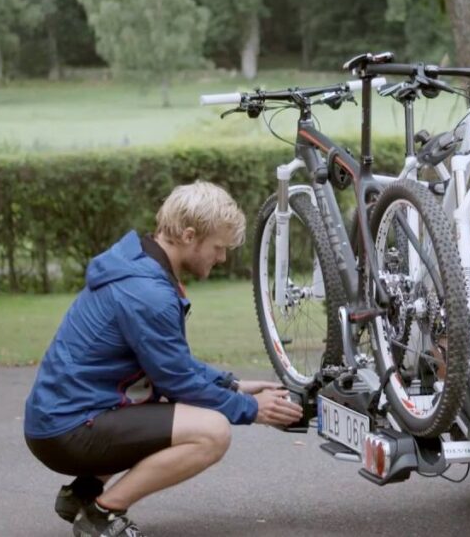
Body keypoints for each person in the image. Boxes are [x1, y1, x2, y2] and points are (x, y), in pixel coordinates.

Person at [24, 181, 302, 537]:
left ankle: (82, 493)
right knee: (211, 432)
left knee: (171, 407)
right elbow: (177, 381)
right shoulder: (147, 291)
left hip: (60, 421)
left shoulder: (139, 265)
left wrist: (232, 383)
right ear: (189, 235)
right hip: (68, 430)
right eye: (218, 247)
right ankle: (100, 515)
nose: (222, 258)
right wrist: (250, 408)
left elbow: (171, 363)